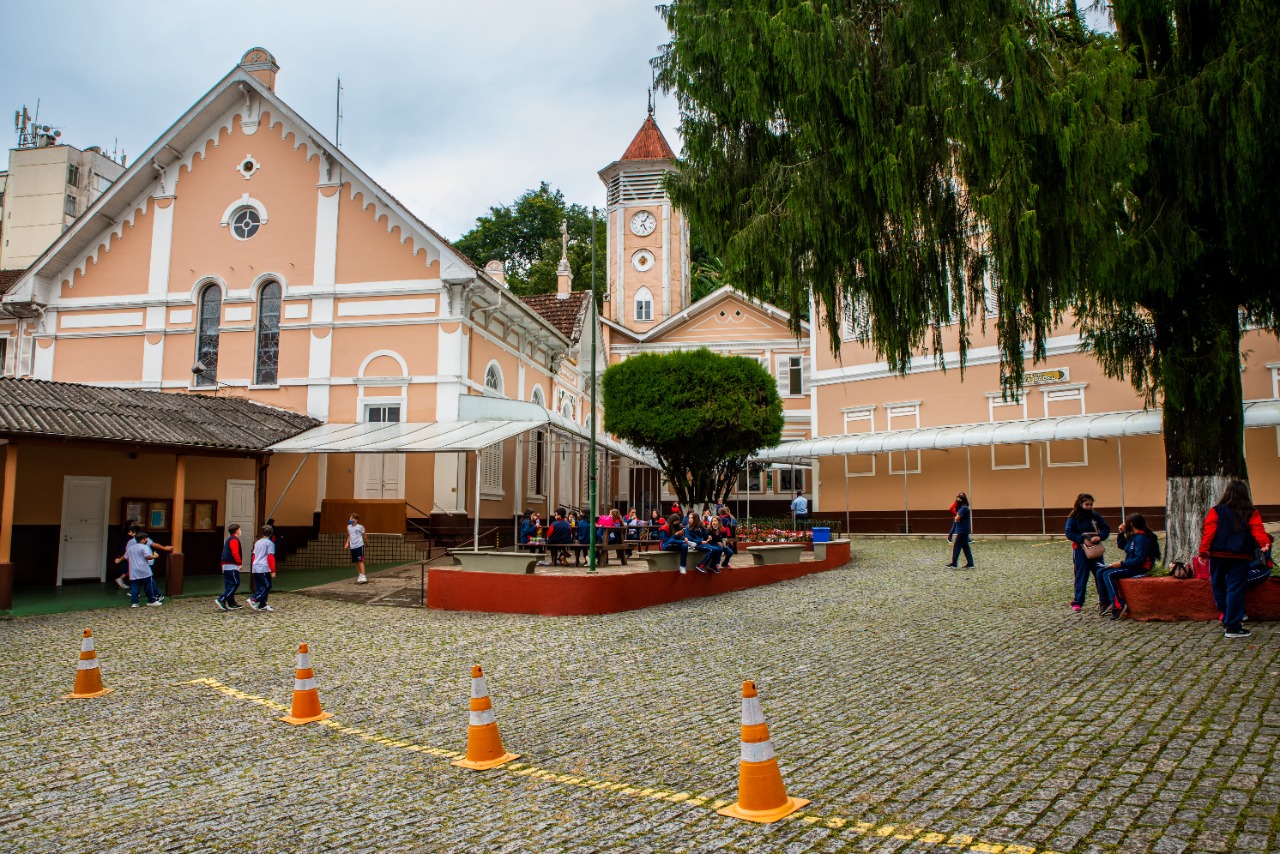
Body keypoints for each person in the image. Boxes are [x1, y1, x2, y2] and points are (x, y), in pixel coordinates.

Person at [1199, 479, 1272, 639]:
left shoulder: (1216, 510)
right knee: (1235, 588)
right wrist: (1264, 543)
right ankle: (1232, 625)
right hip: (1241, 555)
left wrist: (1203, 551)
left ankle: (1227, 618)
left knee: (1218, 585)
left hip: (1217, 554)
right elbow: (1258, 529)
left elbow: (1209, 532)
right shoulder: (1251, 512)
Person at [1099, 513, 1160, 620]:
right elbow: (1123, 546)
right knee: (1100, 571)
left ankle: (1118, 605)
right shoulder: (1134, 536)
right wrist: (1121, 533)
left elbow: (1139, 560)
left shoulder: (1142, 539)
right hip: (1130, 565)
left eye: (1126, 523)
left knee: (1108, 575)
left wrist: (1121, 564)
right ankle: (1105, 601)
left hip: (1139, 568)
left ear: (1131, 524)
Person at [1065, 493, 1111, 613]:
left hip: (1095, 551)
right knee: (1081, 576)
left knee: (1100, 574)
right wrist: (1082, 539)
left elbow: (1106, 528)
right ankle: (1078, 601)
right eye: (1087, 504)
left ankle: (1104, 601)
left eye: (1091, 504)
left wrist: (1100, 536)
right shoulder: (1073, 518)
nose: (1089, 507)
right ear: (1080, 504)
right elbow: (1069, 533)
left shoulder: (1095, 516)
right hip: (1081, 551)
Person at [115, 531, 161, 608]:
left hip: (133, 571)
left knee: (134, 587)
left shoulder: (131, 548)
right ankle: (151, 601)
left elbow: (125, 556)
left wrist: (119, 560)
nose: (147, 540)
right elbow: (147, 557)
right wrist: (155, 556)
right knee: (148, 586)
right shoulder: (144, 547)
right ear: (142, 539)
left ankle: (134, 603)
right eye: (146, 538)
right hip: (145, 570)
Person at [215, 523, 244, 611]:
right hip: (231, 565)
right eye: (239, 529)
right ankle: (222, 599)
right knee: (235, 583)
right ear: (236, 531)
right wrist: (239, 563)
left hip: (226, 565)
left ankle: (231, 603)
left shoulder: (229, 540)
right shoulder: (234, 540)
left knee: (229, 584)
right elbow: (235, 552)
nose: (240, 531)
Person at [247, 525, 277, 612]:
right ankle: (254, 599)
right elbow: (270, 557)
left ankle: (262, 604)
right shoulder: (269, 543)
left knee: (260, 586)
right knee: (267, 585)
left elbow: (254, 555)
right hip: (264, 567)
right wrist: (273, 570)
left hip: (256, 566)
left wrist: (253, 565)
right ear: (271, 533)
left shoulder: (258, 542)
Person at [946, 493, 975, 569]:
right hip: (965, 530)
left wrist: (956, 517)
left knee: (957, 546)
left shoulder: (963, 508)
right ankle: (970, 563)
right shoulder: (965, 508)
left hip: (962, 531)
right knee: (966, 547)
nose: (957, 501)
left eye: (958, 500)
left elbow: (957, 518)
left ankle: (954, 563)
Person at [114, 518, 140, 589]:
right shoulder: (129, 536)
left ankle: (121, 580)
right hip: (126, 553)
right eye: (133, 524)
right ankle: (120, 579)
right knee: (129, 567)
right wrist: (120, 555)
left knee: (129, 566)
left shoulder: (126, 534)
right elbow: (124, 546)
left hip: (125, 552)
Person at [346, 513, 367, 584]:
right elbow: (349, 535)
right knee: (356, 561)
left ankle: (364, 575)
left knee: (360, 560)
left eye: (351, 518)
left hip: (359, 545)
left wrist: (367, 543)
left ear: (356, 520)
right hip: (352, 546)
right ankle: (360, 574)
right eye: (350, 518)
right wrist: (347, 543)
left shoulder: (360, 527)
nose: (350, 520)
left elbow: (364, 535)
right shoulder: (348, 527)